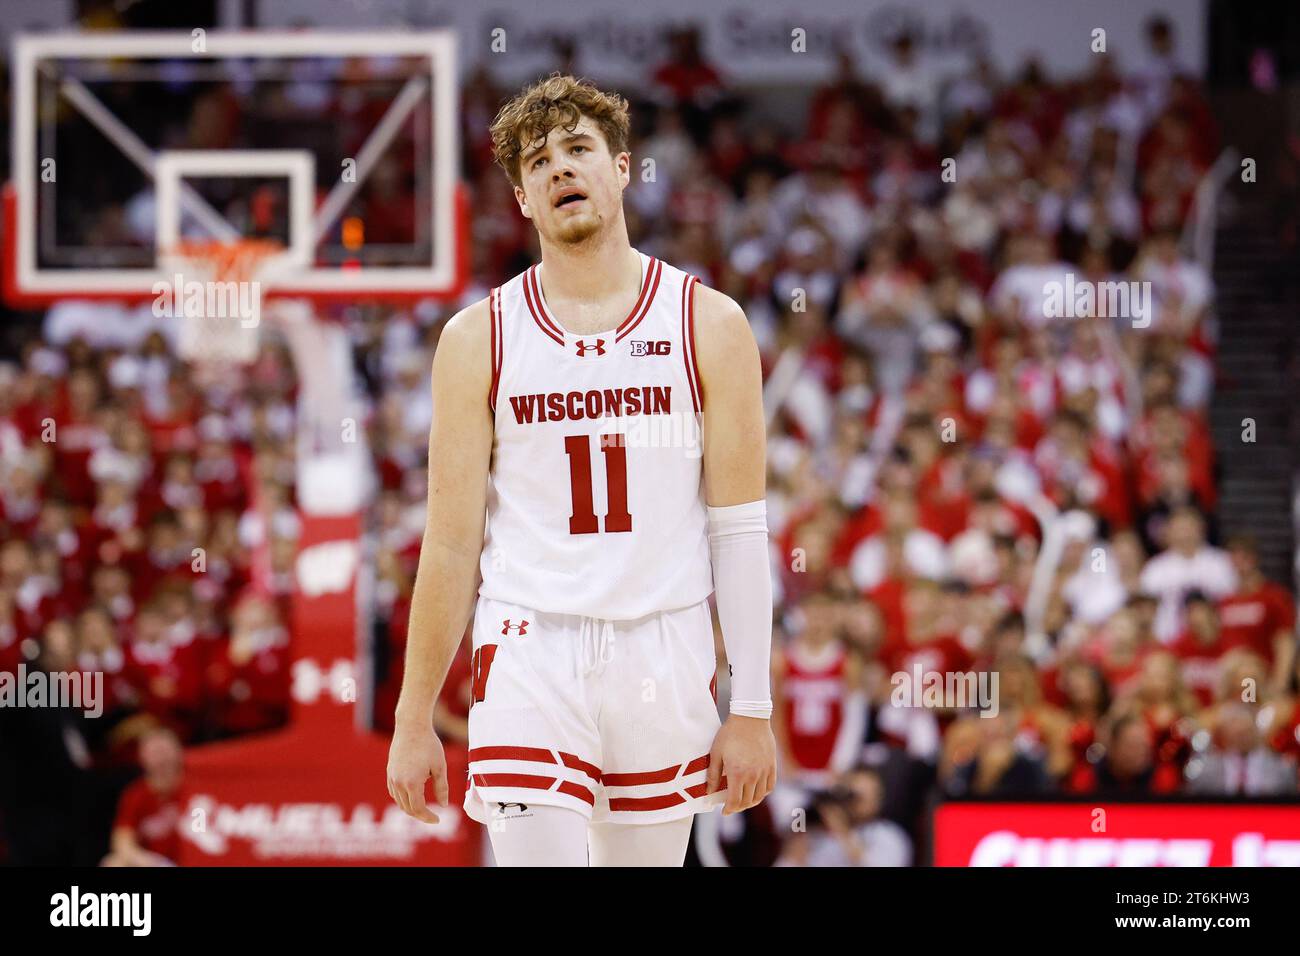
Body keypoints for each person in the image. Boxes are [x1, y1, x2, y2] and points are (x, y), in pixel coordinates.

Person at [386, 74, 776, 867]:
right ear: (524, 200)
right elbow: (452, 544)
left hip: (662, 646)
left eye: (578, 149)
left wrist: (755, 707)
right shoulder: (477, 339)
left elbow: (738, 530)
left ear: (622, 168)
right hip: (530, 643)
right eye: (538, 162)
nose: (560, 168)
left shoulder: (709, 322)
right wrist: (411, 716)